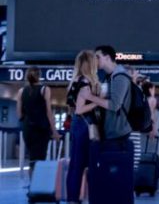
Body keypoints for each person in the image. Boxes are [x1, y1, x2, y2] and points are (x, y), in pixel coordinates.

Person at [84, 45, 135, 201]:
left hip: (117, 137)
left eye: (97, 56)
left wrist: (91, 98)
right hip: (110, 135)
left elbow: (115, 105)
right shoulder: (109, 77)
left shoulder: (120, 77)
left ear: (107, 57)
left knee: (116, 183)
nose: (95, 60)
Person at [65, 50, 101, 204]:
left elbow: (73, 109)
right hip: (85, 125)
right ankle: (82, 198)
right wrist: (98, 101)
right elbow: (80, 109)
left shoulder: (74, 82)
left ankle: (72, 198)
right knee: (87, 165)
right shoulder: (86, 83)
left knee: (75, 164)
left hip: (76, 124)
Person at [16, 66, 60, 180]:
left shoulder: (21, 91)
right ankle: (38, 187)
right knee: (40, 158)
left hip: (28, 129)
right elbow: (49, 112)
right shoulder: (45, 89)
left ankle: (33, 187)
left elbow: (19, 114)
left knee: (32, 158)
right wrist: (54, 131)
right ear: (39, 76)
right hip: (41, 128)